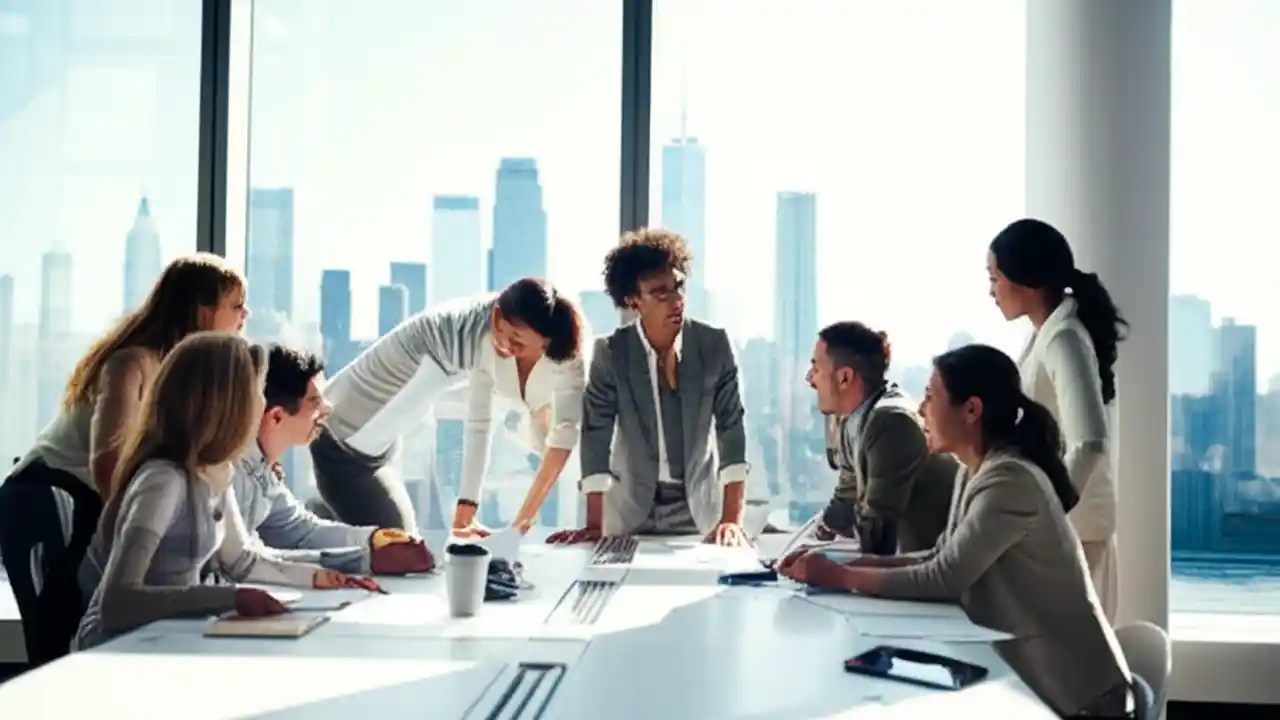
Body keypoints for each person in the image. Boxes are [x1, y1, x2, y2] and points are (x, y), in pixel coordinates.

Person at [780, 345, 1133, 717]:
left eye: (931, 397)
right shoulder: (973, 469)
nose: (921, 409)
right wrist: (843, 561)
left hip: (1080, 701)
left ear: (971, 410)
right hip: (1030, 680)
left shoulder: (1009, 479)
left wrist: (839, 575)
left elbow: (943, 577)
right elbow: (939, 556)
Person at [0, 253, 248, 665]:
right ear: (202, 311)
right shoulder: (132, 363)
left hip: (85, 504)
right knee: (58, 640)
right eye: (236, 305)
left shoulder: (178, 372)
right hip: (49, 499)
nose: (244, 316)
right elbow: (109, 463)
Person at [75, 333, 377, 651]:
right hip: (115, 648)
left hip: (169, 636)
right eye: (255, 394)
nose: (262, 405)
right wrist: (229, 599)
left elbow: (241, 560)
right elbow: (118, 602)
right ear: (226, 405)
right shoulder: (163, 482)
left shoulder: (218, 472)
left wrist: (322, 576)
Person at [312, 278, 586, 535]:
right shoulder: (486, 339)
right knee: (402, 548)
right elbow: (479, 424)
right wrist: (468, 506)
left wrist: (515, 521)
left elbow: (559, 437)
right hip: (341, 448)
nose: (506, 345)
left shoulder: (563, 356)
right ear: (495, 317)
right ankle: (321, 518)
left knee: (404, 545)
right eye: (507, 334)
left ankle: (326, 517)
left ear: (547, 343)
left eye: (519, 344)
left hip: (377, 448)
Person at [549, 228, 749, 546]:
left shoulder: (715, 345)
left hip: (698, 512)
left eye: (678, 286)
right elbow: (595, 436)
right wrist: (593, 525)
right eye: (660, 292)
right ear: (634, 300)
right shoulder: (611, 353)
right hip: (629, 512)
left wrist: (731, 521)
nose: (676, 300)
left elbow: (732, 430)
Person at [988, 217, 1127, 622]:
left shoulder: (1064, 336)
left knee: (1075, 664)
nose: (990, 290)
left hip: (1077, 532)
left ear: (1026, 279)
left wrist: (1047, 510)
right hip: (1067, 529)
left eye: (995, 277)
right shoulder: (1047, 333)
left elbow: (1090, 440)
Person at [235, 345, 434, 575]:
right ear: (277, 417)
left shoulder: (263, 469)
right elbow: (247, 561)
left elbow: (300, 531)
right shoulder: (234, 476)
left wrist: (372, 539)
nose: (327, 409)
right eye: (315, 401)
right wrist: (364, 559)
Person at [807, 322, 955, 554]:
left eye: (815, 369)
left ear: (844, 377)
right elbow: (845, 503)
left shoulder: (890, 422)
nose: (810, 379)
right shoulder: (852, 421)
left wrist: (820, 561)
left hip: (930, 573)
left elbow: (877, 534)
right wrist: (806, 544)